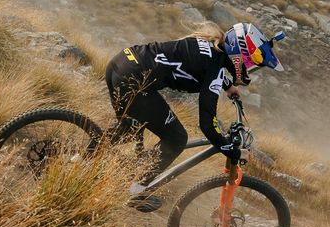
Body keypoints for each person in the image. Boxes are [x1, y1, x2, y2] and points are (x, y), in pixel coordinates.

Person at [106, 21, 285, 212]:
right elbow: (207, 124)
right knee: (176, 139)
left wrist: (227, 85)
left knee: (128, 130)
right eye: (250, 62)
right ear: (238, 54)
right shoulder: (215, 70)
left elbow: (200, 66)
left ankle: (81, 158)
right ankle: (136, 192)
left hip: (121, 63)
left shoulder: (211, 47)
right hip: (134, 80)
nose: (249, 69)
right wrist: (232, 152)